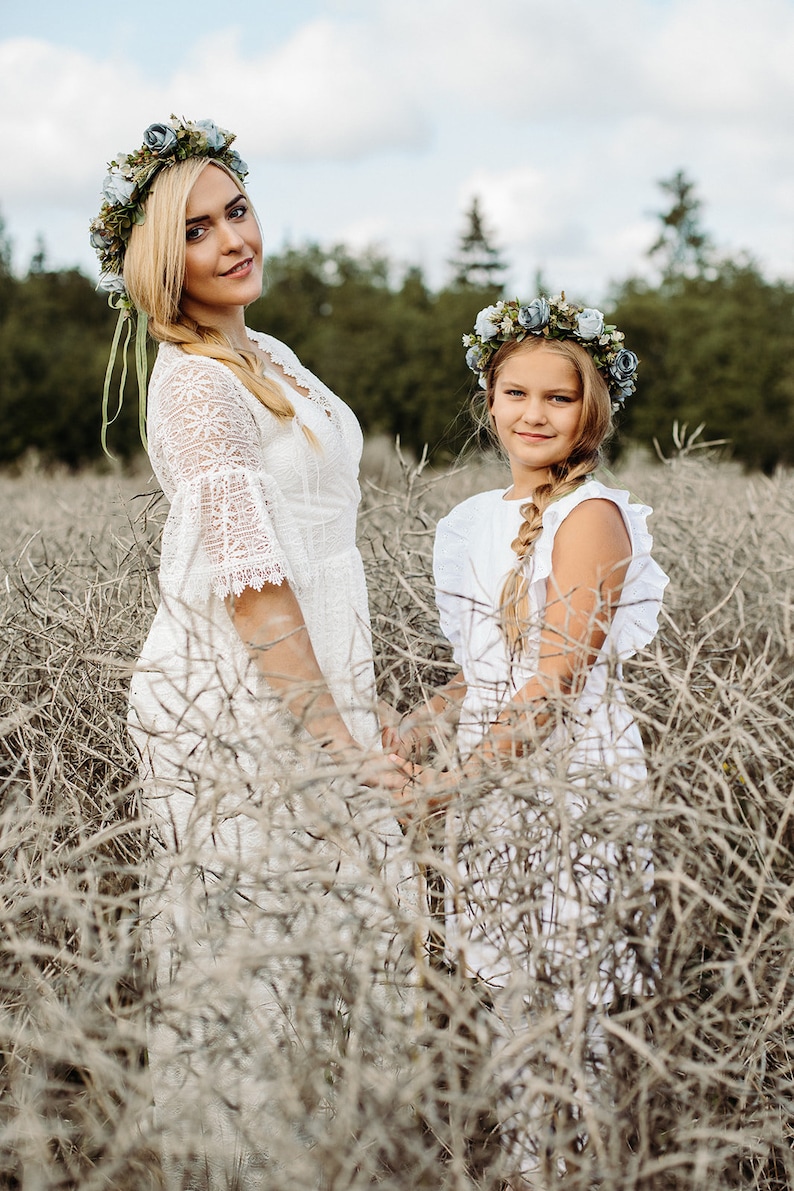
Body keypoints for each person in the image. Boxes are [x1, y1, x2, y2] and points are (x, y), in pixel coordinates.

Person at [90, 118, 411, 1189]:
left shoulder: (267, 355)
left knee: (339, 939)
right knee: (251, 960)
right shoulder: (196, 383)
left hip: (311, 669)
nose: (232, 239)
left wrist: (351, 710)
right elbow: (252, 582)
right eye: (196, 229)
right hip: (232, 696)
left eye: (236, 210)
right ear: (157, 261)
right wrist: (337, 741)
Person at [387, 294, 669, 1184]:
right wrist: (417, 726)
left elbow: (553, 682)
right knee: (513, 993)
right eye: (516, 393)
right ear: (489, 397)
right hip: (493, 769)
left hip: (569, 776)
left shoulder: (592, 516)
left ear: (593, 408)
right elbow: (485, 669)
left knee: (572, 997)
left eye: (559, 397)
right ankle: (523, 1162)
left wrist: (457, 782)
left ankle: (575, 1166)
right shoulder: (474, 518)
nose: (534, 414)